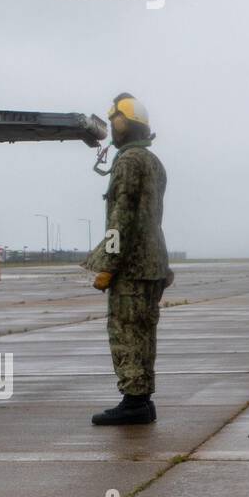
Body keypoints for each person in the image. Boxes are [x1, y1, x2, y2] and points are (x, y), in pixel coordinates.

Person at [83, 94, 170, 426]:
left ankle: (134, 402)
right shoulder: (152, 161)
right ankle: (141, 401)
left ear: (123, 125)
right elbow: (149, 218)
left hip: (131, 268)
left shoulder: (128, 161)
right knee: (145, 333)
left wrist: (109, 263)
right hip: (152, 264)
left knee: (125, 332)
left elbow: (121, 218)